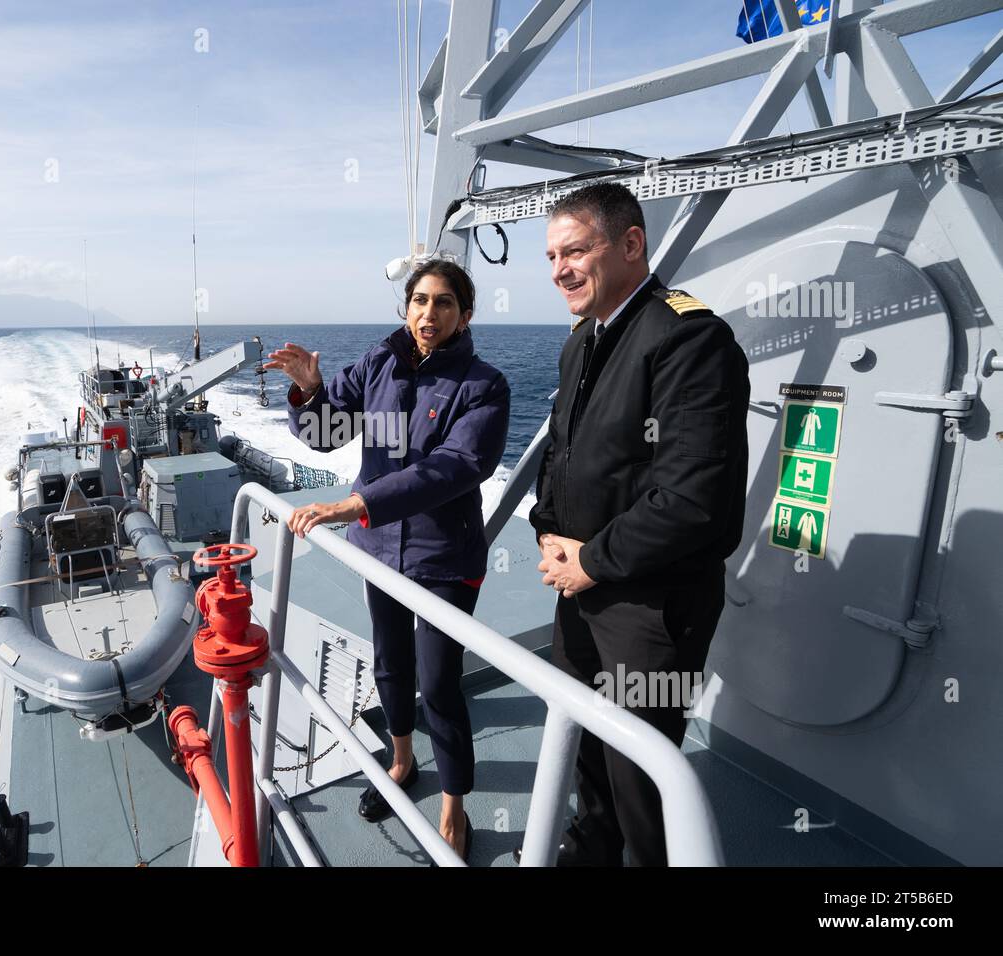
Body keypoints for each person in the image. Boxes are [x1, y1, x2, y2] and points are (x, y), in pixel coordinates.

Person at [527, 182, 749, 866]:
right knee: (588, 745)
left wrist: (588, 559)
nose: (561, 267)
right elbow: (562, 456)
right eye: (552, 255)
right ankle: (591, 848)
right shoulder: (582, 343)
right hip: (582, 590)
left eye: (576, 250)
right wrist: (547, 530)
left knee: (642, 771)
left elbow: (694, 500)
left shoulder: (689, 339)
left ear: (630, 244)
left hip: (651, 606)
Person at [262, 260, 510, 861]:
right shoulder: (378, 362)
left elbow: (455, 468)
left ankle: (454, 807)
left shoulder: (484, 386)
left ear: (465, 315)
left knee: (440, 683)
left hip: (443, 557)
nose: (429, 314)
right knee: (391, 665)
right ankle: (400, 762)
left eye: (444, 303)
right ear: (406, 308)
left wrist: (357, 504)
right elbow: (326, 432)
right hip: (380, 554)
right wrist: (310, 391)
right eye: (420, 301)